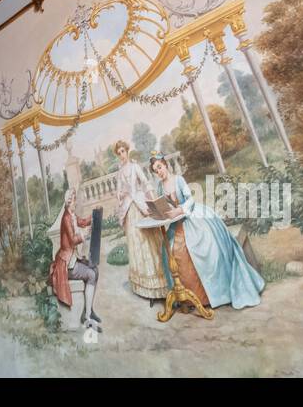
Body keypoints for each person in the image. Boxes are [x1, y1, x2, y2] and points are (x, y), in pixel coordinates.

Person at [149, 152, 264, 310]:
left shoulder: (178, 179)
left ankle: (208, 296)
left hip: (192, 217)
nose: (159, 172)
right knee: (171, 249)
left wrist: (180, 210)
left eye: (160, 167)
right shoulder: (160, 186)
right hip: (176, 222)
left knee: (200, 246)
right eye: (156, 171)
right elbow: (165, 204)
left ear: (166, 165)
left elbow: (190, 199)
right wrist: (160, 210)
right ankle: (186, 297)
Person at [112, 140, 166, 301]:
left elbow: (146, 182)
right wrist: (121, 195)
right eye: (119, 152)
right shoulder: (120, 172)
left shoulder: (135, 166)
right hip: (130, 208)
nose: (122, 154)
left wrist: (152, 197)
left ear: (127, 151)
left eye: (123, 151)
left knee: (148, 239)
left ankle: (159, 280)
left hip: (141, 204)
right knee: (136, 243)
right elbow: (118, 192)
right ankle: (143, 286)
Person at [48, 187, 102, 331]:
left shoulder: (71, 215)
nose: (76, 202)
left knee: (95, 269)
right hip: (67, 265)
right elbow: (72, 240)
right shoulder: (66, 218)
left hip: (73, 260)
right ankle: (88, 316)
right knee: (91, 274)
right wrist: (84, 234)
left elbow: (83, 222)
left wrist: (94, 213)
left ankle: (89, 310)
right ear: (69, 201)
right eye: (74, 200)